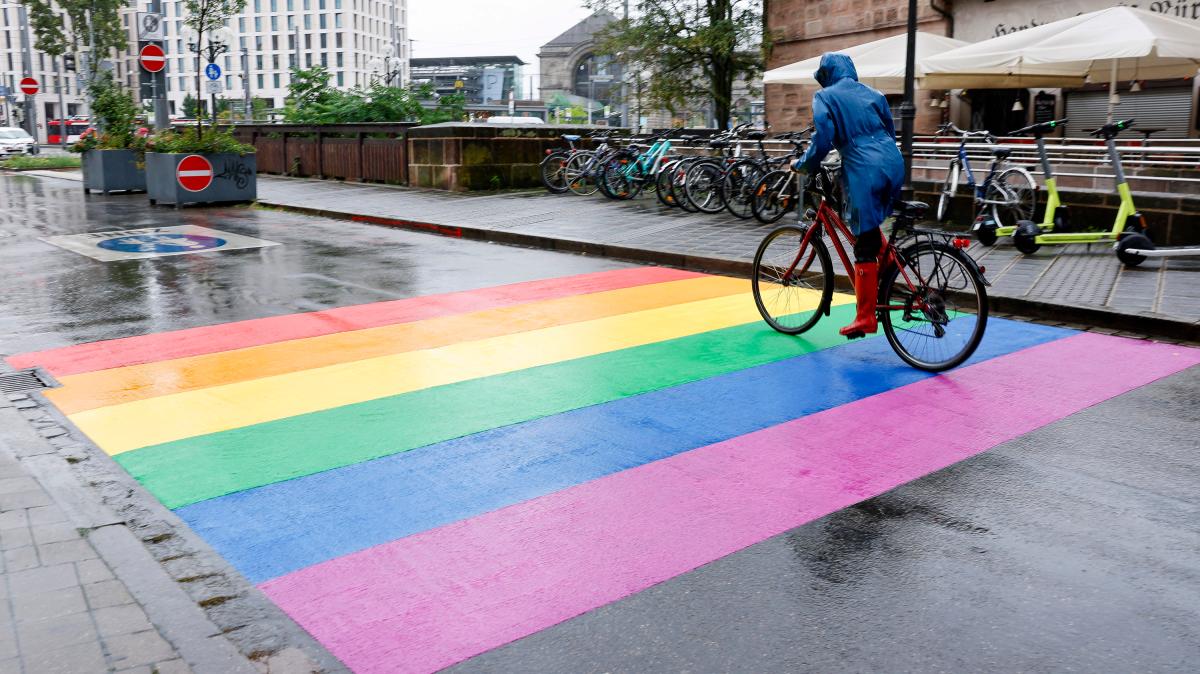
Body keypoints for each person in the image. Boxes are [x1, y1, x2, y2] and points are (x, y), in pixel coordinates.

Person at [793, 53, 905, 338]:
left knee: (863, 245)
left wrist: (804, 165)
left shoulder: (826, 97)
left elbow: (822, 140)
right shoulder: (874, 94)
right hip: (892, 162)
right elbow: (889, 132)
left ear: (826, 74)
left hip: (863, 167)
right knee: (866, 222)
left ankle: (865, 316)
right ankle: (890, 264)